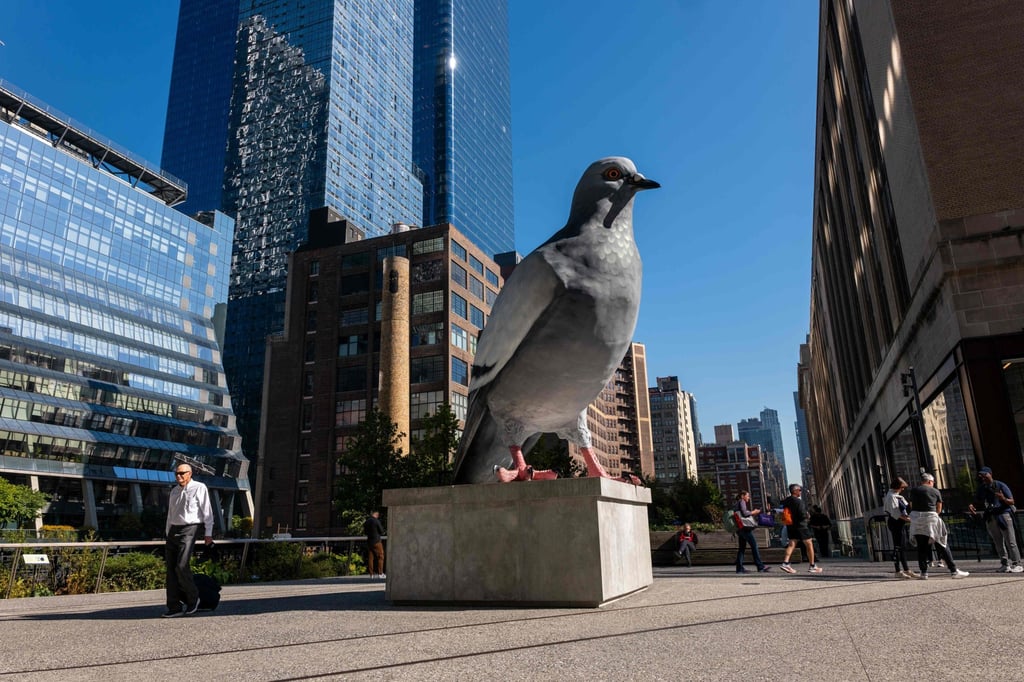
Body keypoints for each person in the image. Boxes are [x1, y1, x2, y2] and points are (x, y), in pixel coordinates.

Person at [163, 463, 214, 617]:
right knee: (170, 570)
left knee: (181, 565)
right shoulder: (174, 491)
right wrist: (167, 533)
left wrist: (208, 534)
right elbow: (170, 514)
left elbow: (207, 511)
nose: (179, 476)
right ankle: (174, 606)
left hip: (190, 528)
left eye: (182, 473)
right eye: (177, 474)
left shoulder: (199, 487)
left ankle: (193, 598)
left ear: (190, 473)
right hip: (173, 529)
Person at [907, 473, 968, 579]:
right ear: (930, 481)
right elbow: (939, 508)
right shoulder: (935, 491)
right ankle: (953, 570)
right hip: (931, 519)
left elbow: (911, 506)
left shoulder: (914, 490)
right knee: (942, 544)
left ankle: (923, 572)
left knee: (921, 547)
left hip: (917, 520)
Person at [968, 466, 1022, 573]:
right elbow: (977, 501)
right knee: (998, 542)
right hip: (990, 516)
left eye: (985, 474)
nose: (983, 477)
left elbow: (1012, 501)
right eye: (981, 475)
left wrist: (1003, 499)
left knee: (1010, 541)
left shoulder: (1000, 485)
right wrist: (972, 505)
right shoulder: (982, 488)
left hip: (1003, 515)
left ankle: (1017, 564)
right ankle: (1005, 564)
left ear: (990, 474)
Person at [779, 483, 822, 574]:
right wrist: (807, 516)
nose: (800, 492)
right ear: (795, 491)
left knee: (791, 544)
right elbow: (802, 514)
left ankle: (785, 563)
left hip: (790, 525)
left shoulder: (786, 501)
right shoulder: (798, 501)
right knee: (809, 544)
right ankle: (812, 566)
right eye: (799, 490)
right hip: (801, 526)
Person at [883, 477, 919, 579]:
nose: (903, 489)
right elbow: (896, 513)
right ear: (897, 487)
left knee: (902, 546)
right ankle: (898, 570)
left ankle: (906, 569)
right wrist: (909, 520)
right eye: (902, 487)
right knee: (898, 547)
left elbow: (905, 508)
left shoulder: (896, 496)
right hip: (896, 523)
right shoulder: (891, 497)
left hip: (899, 522)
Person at [734, 491, 770, 574]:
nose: (748, 498)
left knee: (742, 549)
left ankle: (739, 568)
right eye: (748, 496)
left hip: (739, 529)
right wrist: (754, 512)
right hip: (745, 528)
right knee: (754, 546)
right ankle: (760, 566)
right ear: (742, 496)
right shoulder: (741, 502)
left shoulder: (736, 504)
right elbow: (745, 513)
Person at [364, 510, 386, 579]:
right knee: (381, 556)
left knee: (371, 558)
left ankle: (371, 574)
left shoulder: (366, 522)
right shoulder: (376, 521)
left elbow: (365, 531)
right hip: (376, 541)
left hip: (369, 541)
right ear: (376, 514)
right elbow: (382, 531)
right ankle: (380, 573)